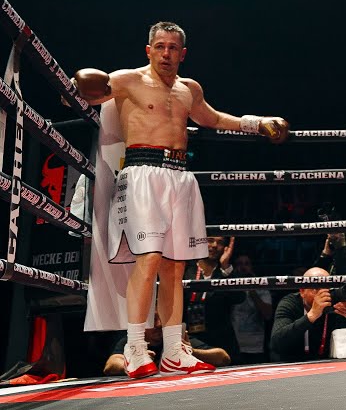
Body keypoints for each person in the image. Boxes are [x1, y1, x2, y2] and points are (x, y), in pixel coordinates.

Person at [75, 21, 289, 378]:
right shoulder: (128, 79)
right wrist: (73, 86)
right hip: (142, 172)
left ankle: (174, 350)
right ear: (148, 50)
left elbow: (213, 118)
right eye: (160, 47)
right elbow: (91, 93)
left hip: (180, 176)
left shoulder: (189, 89)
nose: (166, 54)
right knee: (149, 259)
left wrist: (257, 122)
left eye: (173, 48)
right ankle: (135, 347)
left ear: (183, 53)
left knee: (177, 265)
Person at [270, 268, 346, 362]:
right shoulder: (290, 303)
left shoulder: (335, 299)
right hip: (293, 364)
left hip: (330, 365)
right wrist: (311, 316)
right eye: (316, 288)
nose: (323, 292)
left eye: (327, 286)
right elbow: (276, 343)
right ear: (302, 291)